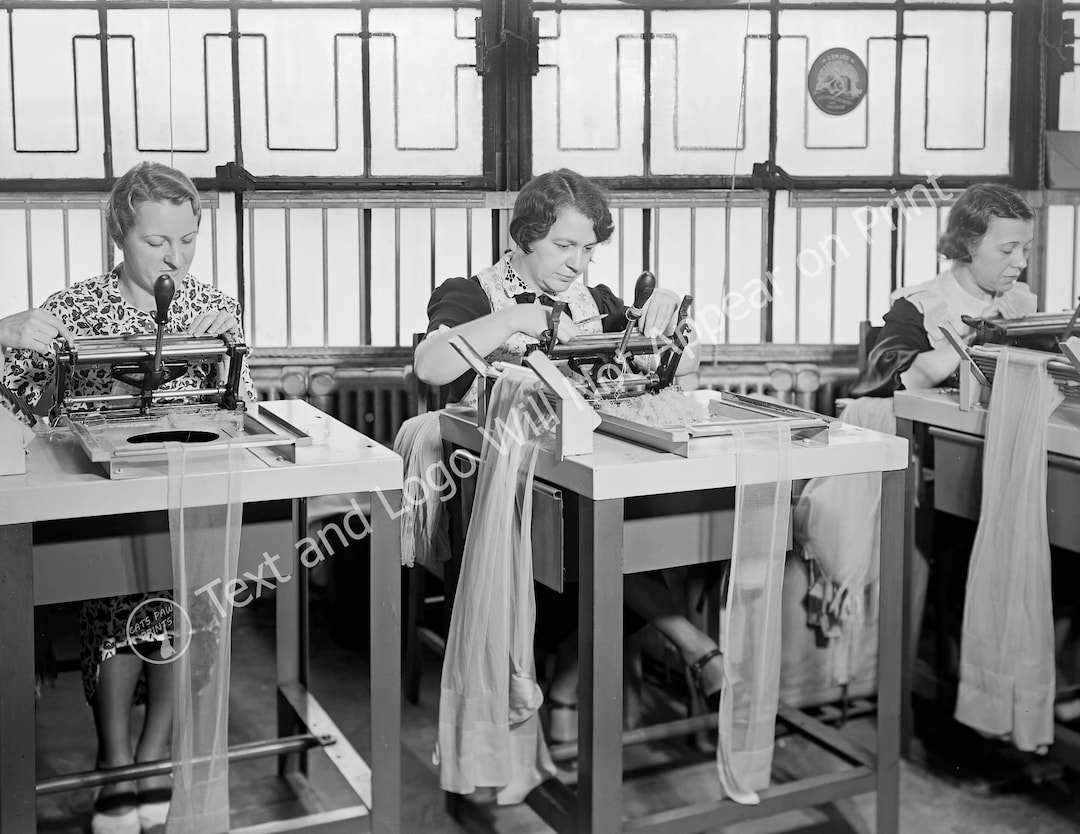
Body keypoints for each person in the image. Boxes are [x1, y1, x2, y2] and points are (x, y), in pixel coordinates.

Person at [414, 168, 722, 745]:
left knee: (636, 531)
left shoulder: (596, 303)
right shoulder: (472, 293)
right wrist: (512, 319)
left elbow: (672, 371)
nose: (577, 263)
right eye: (563, 246)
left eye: (588, 249)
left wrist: (674, 328)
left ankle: (566, 687)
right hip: (491, 482)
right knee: (606, 542)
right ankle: (693, 650)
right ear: (524, 236)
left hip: (580, 469)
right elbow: (431, 367)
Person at [0, 161, 255, 834]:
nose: (176, 258)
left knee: (184, 602)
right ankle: (114, 758)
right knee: (117, 607)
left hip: (185, 487)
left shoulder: (214, 307)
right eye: (157, 241)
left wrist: (224, 350)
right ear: (120, 235)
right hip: (98, 495)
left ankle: (152, 755)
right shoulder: (73, 307)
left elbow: (242, 403)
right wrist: (3, 330)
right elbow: (16, 398)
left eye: (188, 240)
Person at [851, 182, 1036, 398]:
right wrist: (974, 338)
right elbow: (889, 383)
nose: (1021, 262)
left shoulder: (1021, 300)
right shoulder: (920, 306)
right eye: (1007, 250)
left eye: (1026, 249)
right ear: (968, 244)